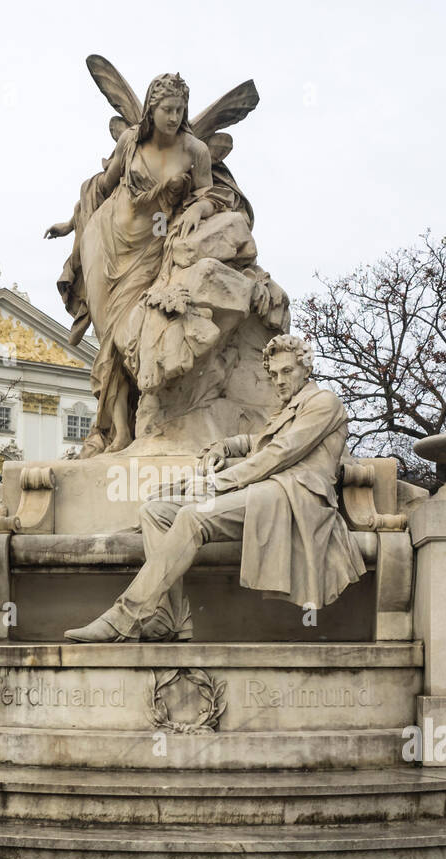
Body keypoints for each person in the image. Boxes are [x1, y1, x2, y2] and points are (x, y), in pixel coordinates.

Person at [64, 334, 366, 642]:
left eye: (287, 371)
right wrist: (226, 445)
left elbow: (280, 453)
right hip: (267, 489)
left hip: (293, 497)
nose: (279, 380)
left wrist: (214, 483)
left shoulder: (323, 403)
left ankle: (127, 616)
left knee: (192, 517)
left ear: (306, 368)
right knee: (155, 511)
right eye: (273, 374)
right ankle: (169, 617)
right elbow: (261, 442)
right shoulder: (289, 409)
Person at [45, 71, 245, 457]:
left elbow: (213, 194)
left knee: (127, 337)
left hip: (151, 248)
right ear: (151, 109)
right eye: (167, 109)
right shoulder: (130, 142)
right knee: (108, 340)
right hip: (105, 241)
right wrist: (72, 223)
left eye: (179, 109)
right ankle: (114, 432)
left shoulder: (194, 151)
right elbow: (102, 187)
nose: (173, 116)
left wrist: (199, 207)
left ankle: (122, 432)